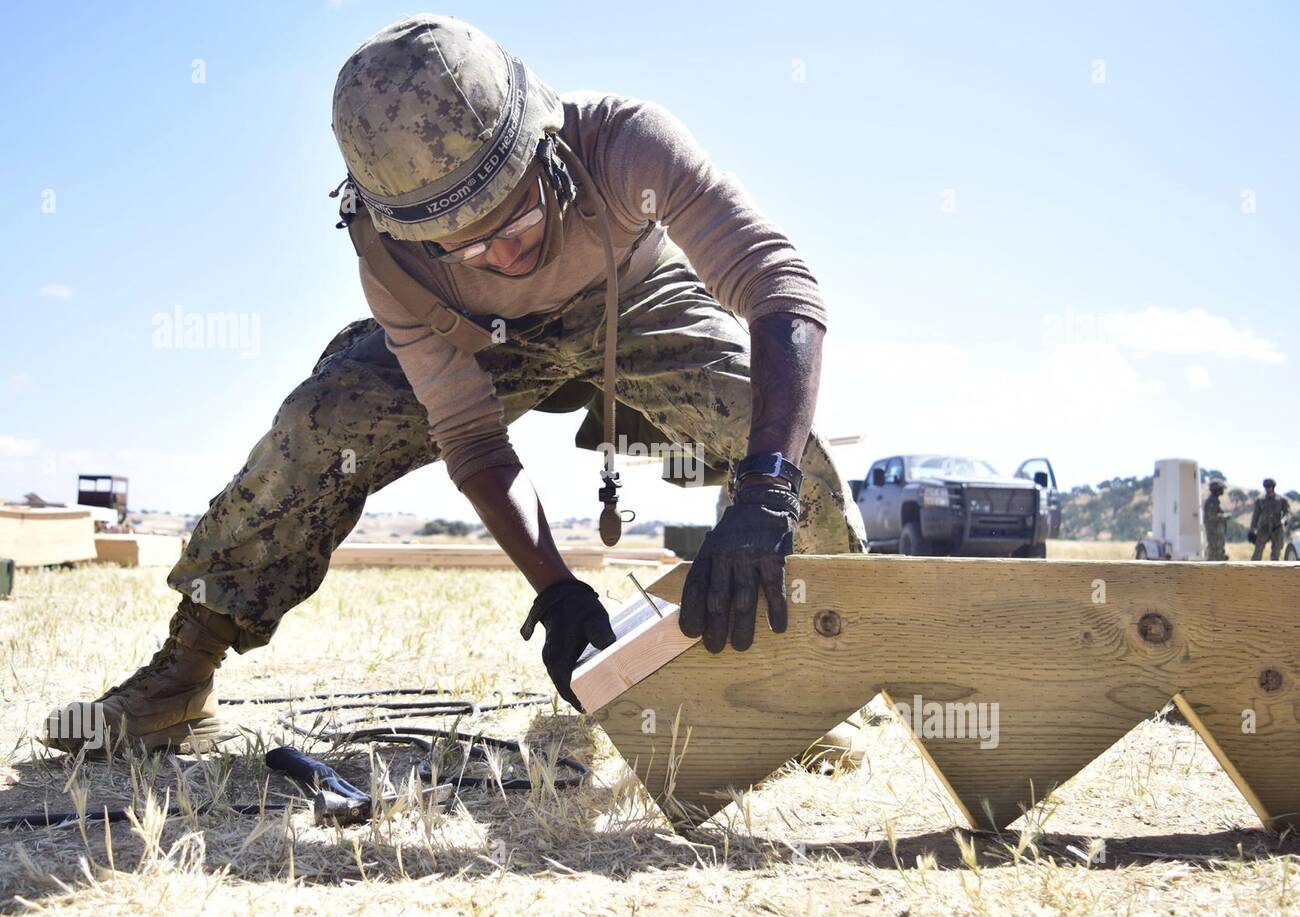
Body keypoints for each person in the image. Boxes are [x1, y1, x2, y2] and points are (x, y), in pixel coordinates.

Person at [45, 14, 865, 754]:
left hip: (632, 300)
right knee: (322, 423)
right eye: (464, 248)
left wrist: (765, 492)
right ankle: (182, 674)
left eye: (519, 222)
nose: (503, 256)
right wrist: (557, 589)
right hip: (479, 341)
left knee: (789, 445)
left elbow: (781, 289)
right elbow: (471, 439)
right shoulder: (391, 255)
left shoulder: (624, 142)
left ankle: (822, 681)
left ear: (546, 151)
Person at [1248, 478, 1291, 562]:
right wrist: (1252, 530)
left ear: (1273, 487)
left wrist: (1284, 520)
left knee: (1276, 554)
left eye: (1269, 487)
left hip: (1277, 528)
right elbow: (1255, 516)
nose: (1267, 489)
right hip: (1263, 528)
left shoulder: (1281, 500)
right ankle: (1253, 572)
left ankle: (1274, 573)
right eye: (1265, 487)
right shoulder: (1260, 500)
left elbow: (1287, 513)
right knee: (1257, 552)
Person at [1202, 479, 1229, 561]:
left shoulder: (1215, 501)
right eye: (1221, 488)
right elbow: (1212, 516)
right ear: (1216, 489)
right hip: (1214, 535)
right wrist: (1224, 517)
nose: (1222, 490)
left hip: (1217, 536)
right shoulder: (1211, 501)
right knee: (1213, 556)